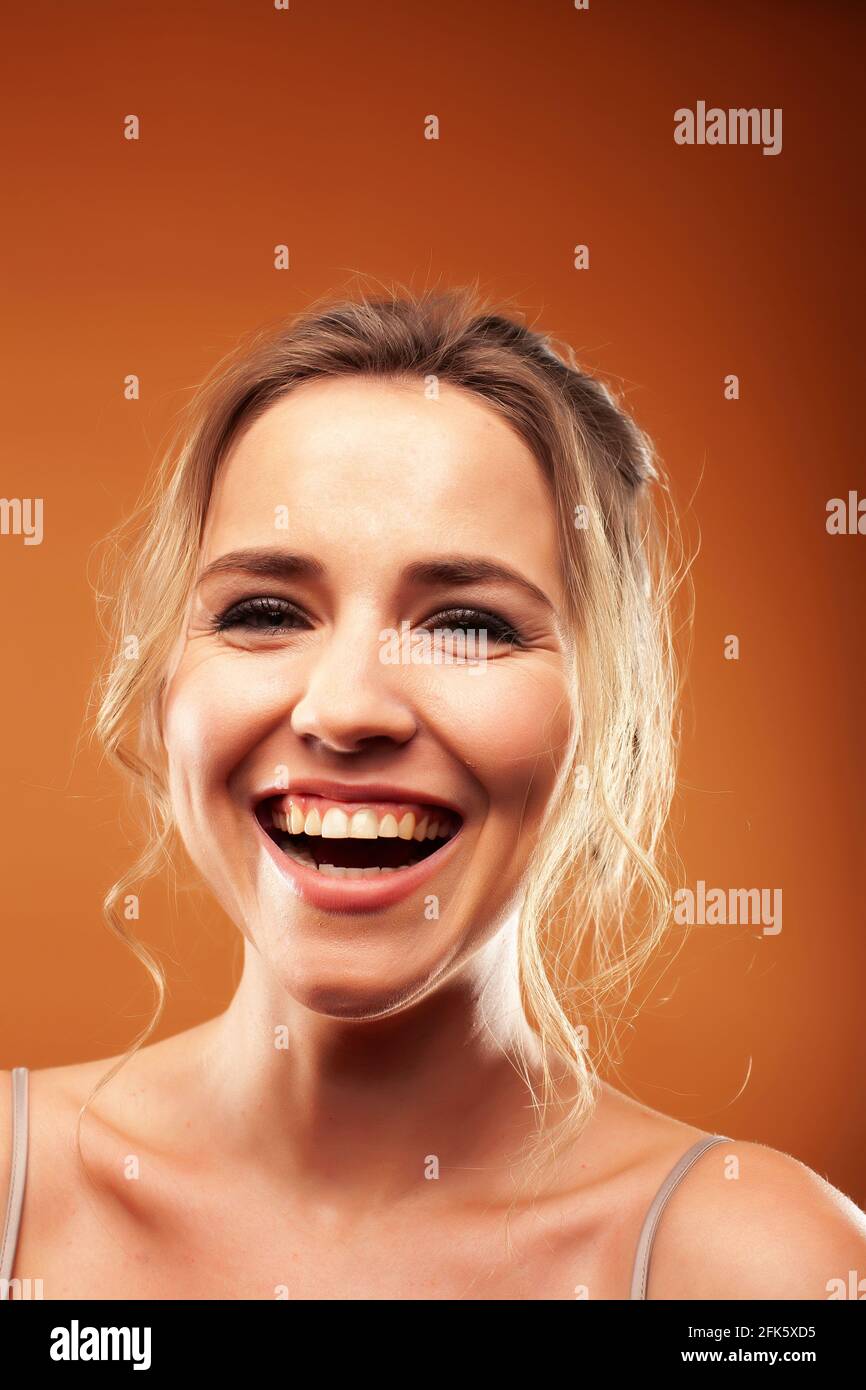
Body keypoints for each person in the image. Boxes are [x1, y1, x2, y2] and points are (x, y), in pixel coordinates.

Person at [3, 284, 864, 1299]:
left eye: (468, 625)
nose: (346, 708)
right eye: (266, 611)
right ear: (160, 689)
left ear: (612, 714)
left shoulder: (765, 1272)